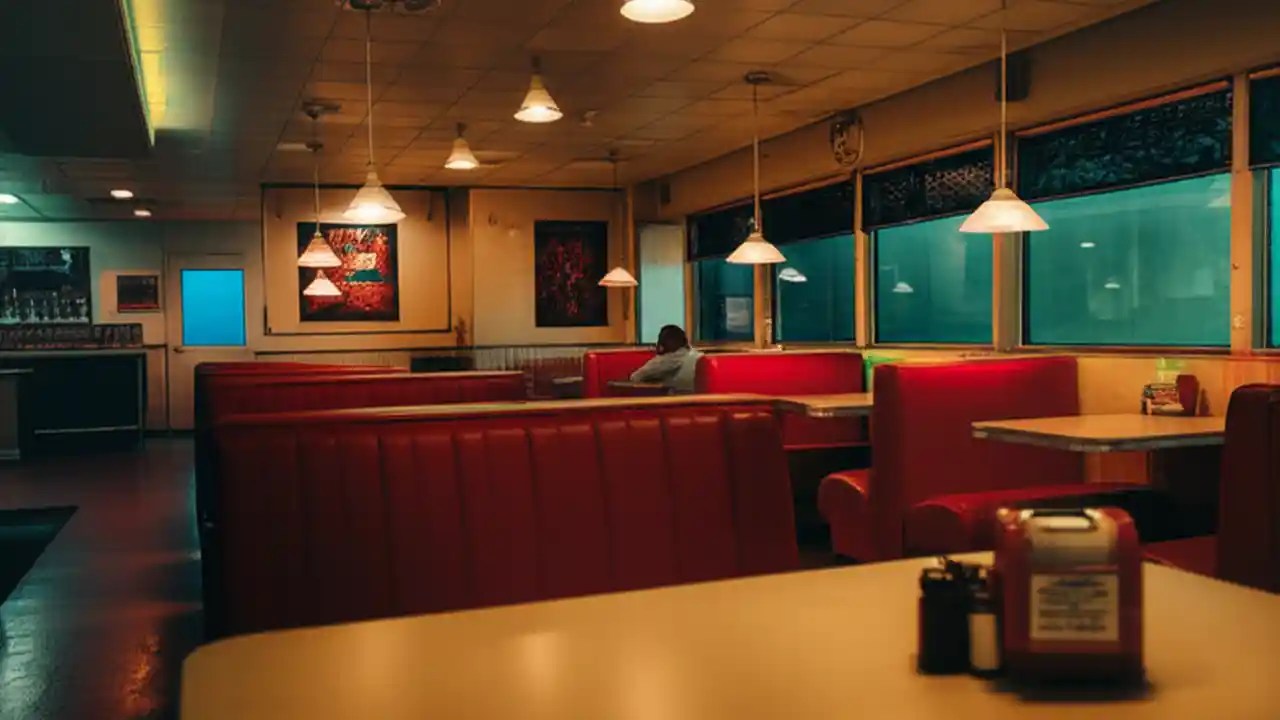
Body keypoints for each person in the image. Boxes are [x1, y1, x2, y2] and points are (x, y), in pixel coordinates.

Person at [629, 324, 701, 394]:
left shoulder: (668, 359)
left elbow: (635, 377)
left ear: (661, 346)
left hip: (676, 402)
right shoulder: (698, 356)